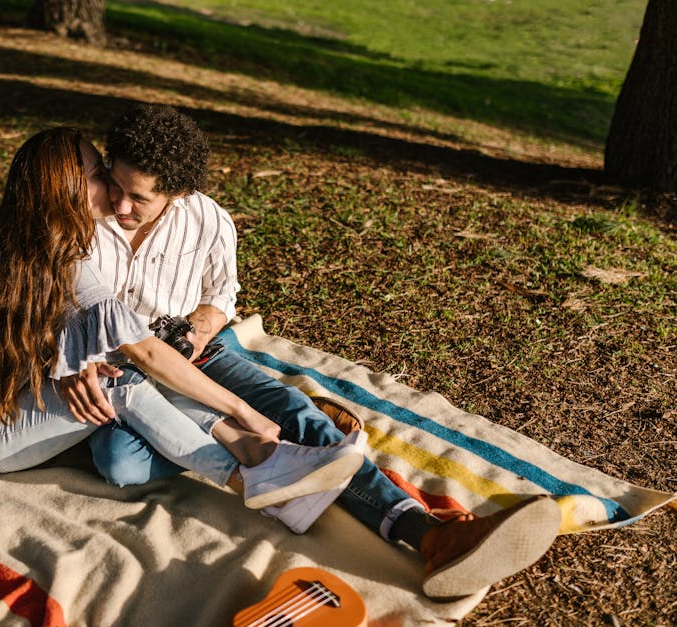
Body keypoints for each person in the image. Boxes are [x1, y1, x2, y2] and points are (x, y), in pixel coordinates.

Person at [58, 104, 562, 600]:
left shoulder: (208, 220)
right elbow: (40, 307)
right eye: (116, 187)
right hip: (123, 376)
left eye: (139, 198)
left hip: (195, 357)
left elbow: (221, 296)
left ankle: (430, 536)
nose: (120, 206)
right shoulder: (83, 220)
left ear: (180, 192)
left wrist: (200, 327)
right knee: (121, 464)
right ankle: (264, 452)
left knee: (295, 413)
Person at [0, 127, 369, 531]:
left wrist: (73, 364)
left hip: (21, 396)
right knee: (127, 381)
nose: (113, 190)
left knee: (118, 374)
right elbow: (147, 353)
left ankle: (268, 461)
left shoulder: (27, 237)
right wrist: (245, 412)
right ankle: (255, 473)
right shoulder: (65, 263)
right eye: (99, 174)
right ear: (67, 189)